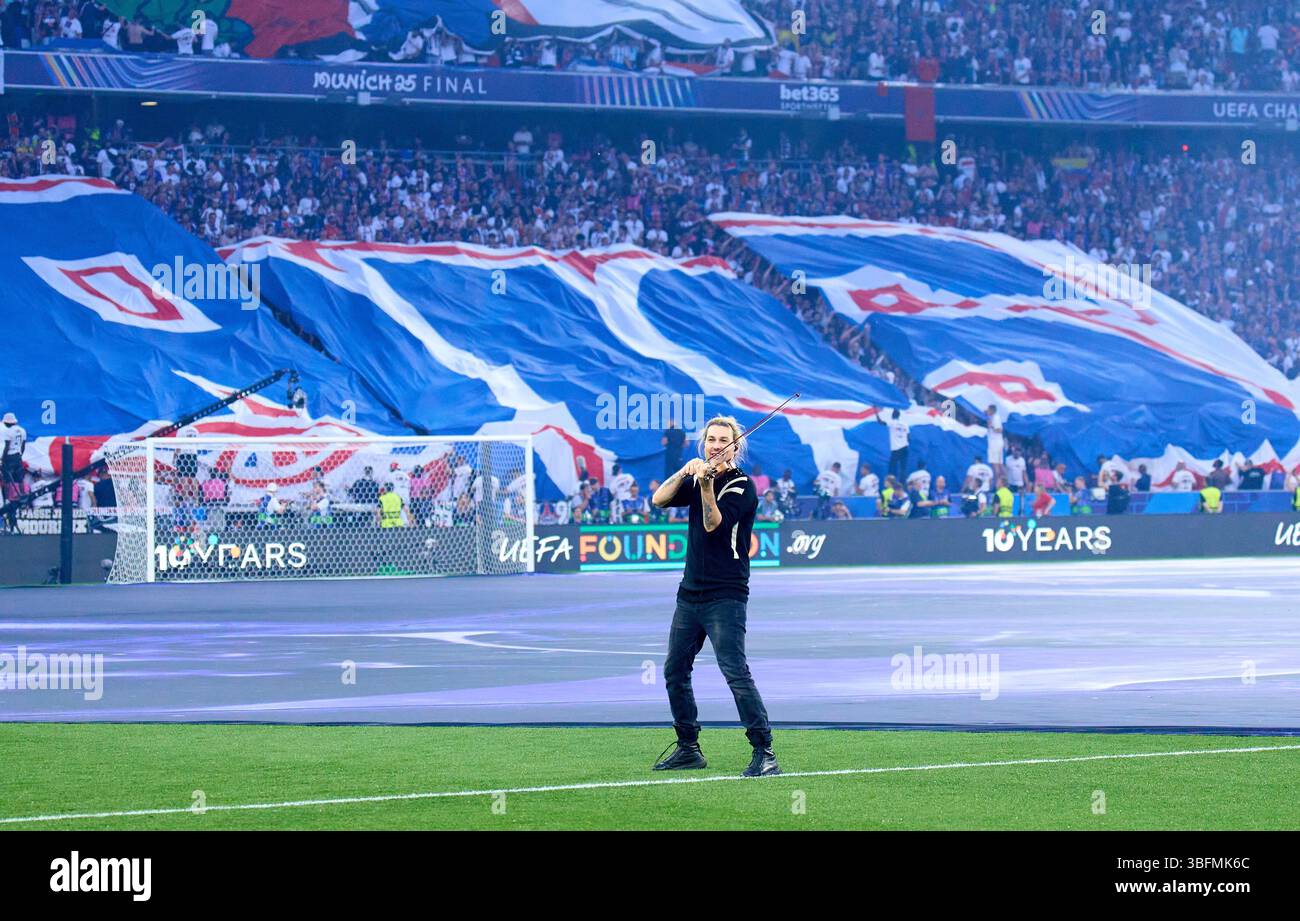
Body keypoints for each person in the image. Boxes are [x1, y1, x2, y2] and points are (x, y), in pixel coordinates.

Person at [650, 415, 778, 778]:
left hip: (726, 594)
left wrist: (705, 485)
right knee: (675, 669)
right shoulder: (699, 473)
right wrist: (685, 472)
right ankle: (689, 747)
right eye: (710, 439)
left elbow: (712, 524)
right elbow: (658, 500)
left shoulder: (741, 485)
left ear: (736, 446)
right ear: (703, 444)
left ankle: (764, 751)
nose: (716, 445)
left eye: (724, 439)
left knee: (734, 671)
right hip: (690, 592)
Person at [882, 409, 909, 481]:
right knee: (903, 469)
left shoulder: (892, 423)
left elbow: (881, 422)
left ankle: (891, 488)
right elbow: (908, 436)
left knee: (892, 469)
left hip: (896, 448)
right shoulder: (905, 424)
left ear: (892, 415)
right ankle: (902, 485)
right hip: (905, 447)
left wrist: (875, 412)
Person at [661, 415, 686, 480]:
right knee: (679, 472)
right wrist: (679, 445)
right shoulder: (681, 432)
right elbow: (686, 443)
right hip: (678, 455)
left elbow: (664, 442)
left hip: (669, 454)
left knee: (668, 472)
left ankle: (668, 488)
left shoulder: (667, 431)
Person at [985, 405, 1004, 480]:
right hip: (994, 442)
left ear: (992, 410)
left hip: (995, 443)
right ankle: (1001, 482)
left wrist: (991, 426)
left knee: (996, 464)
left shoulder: (996, 418)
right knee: (997, 464)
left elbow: (999, 430)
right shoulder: (992, 417)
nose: (987, 411)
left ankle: (999, 483)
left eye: (988, 410)